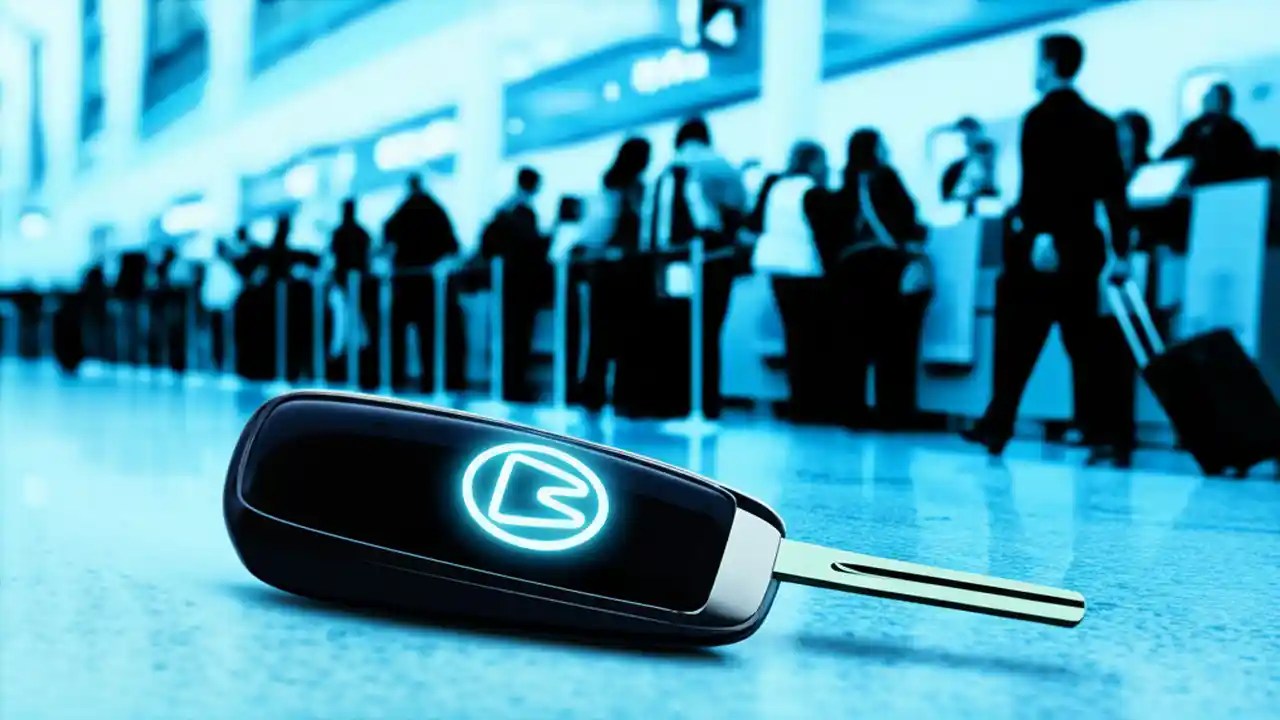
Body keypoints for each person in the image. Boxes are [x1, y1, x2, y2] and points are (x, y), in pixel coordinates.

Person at [962, 33, 1132, 458]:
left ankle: (998, 424)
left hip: (1043, 245)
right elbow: (1113, 192)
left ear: (1051, 64)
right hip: (1085, 245)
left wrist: (1040, 234)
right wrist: (1122, 251)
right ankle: (1103, 432)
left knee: (1017, 343)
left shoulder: (1039, 118)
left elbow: (1040, 185)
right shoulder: (1101, 122)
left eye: (1037, 62)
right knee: (1084, 342)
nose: (1033, 70)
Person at [635, 116, 748, 419]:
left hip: (670, 262)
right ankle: (706, 405)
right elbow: (739, 207)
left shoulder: (665, 170)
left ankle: (677, 404)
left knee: (677, 333)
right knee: (708, 334)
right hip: (711, 261)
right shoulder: (720, 165)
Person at [828, 129, 931, 430]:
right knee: (894, 343)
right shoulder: (885, 178)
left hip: (849, 269)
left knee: (853, 345)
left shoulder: (845, 184)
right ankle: (894, 412)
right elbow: (908, 219)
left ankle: (852, 412)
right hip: (883, 266)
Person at [746, 140, 838, 422]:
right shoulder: (813, 192)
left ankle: (798, 403)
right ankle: (813, 406)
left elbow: (756, 224)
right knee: (813, 341)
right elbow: (825, 236)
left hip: (777, 270)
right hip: (806, 271)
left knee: (794, 338)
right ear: (813, 162)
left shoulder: (775, 187)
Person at [572, 137, 652, 411]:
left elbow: (597, 229)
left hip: (604, 271)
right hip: (627, 271)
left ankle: (593, 393)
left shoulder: (609, 184)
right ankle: (622, 396)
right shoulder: (634, 189)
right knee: (628, 335)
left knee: (599, 335)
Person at [382, 174, 461, 393]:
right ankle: (429, 382)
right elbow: (452, 245)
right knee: (429, 337)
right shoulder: (435, 209)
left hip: (405, 282)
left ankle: (395, 381)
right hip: (427, 284)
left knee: (397, 337)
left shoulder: (402, 210)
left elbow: (387, 235)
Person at [479, 167, 553, 402]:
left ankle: (508, 385)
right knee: (519, 338)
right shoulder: (523, 213)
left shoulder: (504, 209)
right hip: (521, 284)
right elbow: (532, 247)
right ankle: (514, 387)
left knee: (509, 337)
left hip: (507, 284)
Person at [1163, 82, 1259, 185]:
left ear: (1222, 101)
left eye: (1210, 95)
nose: (1204, 98)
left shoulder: (1234, 129)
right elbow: (1179, 148)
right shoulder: (1194, 126)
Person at [329, 198, 377, 387]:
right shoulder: (362, 233)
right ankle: (360, 373)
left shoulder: (339, 233)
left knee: (344, 331)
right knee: (358, 330)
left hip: (344, 285)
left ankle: (343, 372)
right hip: (359, 286)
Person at [940, 117, 1000, 216]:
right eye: (964, 134)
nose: (967, 138)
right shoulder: (956, 168)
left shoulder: (987, 155)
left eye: (970, 133)